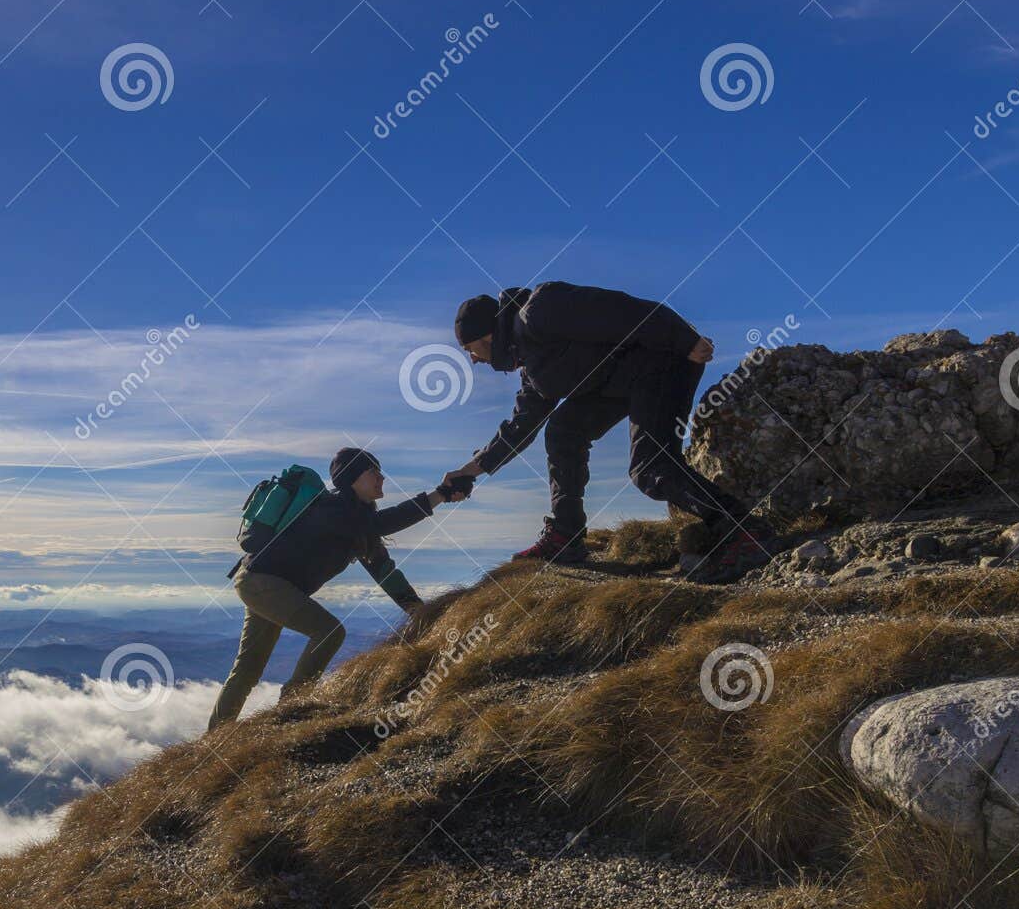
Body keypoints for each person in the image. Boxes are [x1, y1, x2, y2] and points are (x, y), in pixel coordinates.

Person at [442, 282, 773, 582]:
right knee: (563, 429)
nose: (472, 359)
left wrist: (683, 338)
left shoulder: (540, 310)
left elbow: (622, 310)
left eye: (469, 349)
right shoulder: (532, 366)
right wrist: (470, 471)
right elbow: (520, 426)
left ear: (486, 335)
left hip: (664, 361)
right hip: (621, 380)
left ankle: (745, 531)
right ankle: (566, 537)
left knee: (650, 468)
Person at [208, 448, 466, 729]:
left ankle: (214, 740)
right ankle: (290, 708)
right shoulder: (333, 510)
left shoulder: (357, 521)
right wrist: (439, 494)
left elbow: (384, 571)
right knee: (329, 632)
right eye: (373, 471)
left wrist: (417, 611)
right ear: (353, 478)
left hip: (261, 582)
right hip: (262, 583)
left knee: (247, 667)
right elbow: (386, 523)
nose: (381, 477)